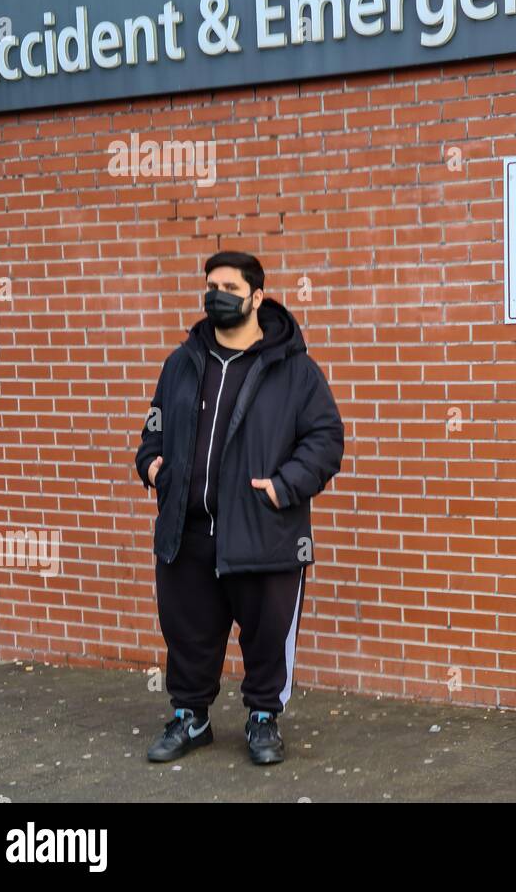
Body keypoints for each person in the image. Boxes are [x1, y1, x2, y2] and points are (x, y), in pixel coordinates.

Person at [136, 251, 344, 764]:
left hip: (263, 530)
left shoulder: (294, 369)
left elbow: (325, 439)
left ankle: (263, 720)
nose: (216, 295)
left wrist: (283, 487)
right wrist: (151, 467)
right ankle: (191, 717)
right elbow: (155, 427)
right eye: (210, 285)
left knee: (268, 635)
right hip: (187, 532)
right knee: (187, 633)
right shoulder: (181, 363)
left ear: (255, 297)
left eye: (228, 286)